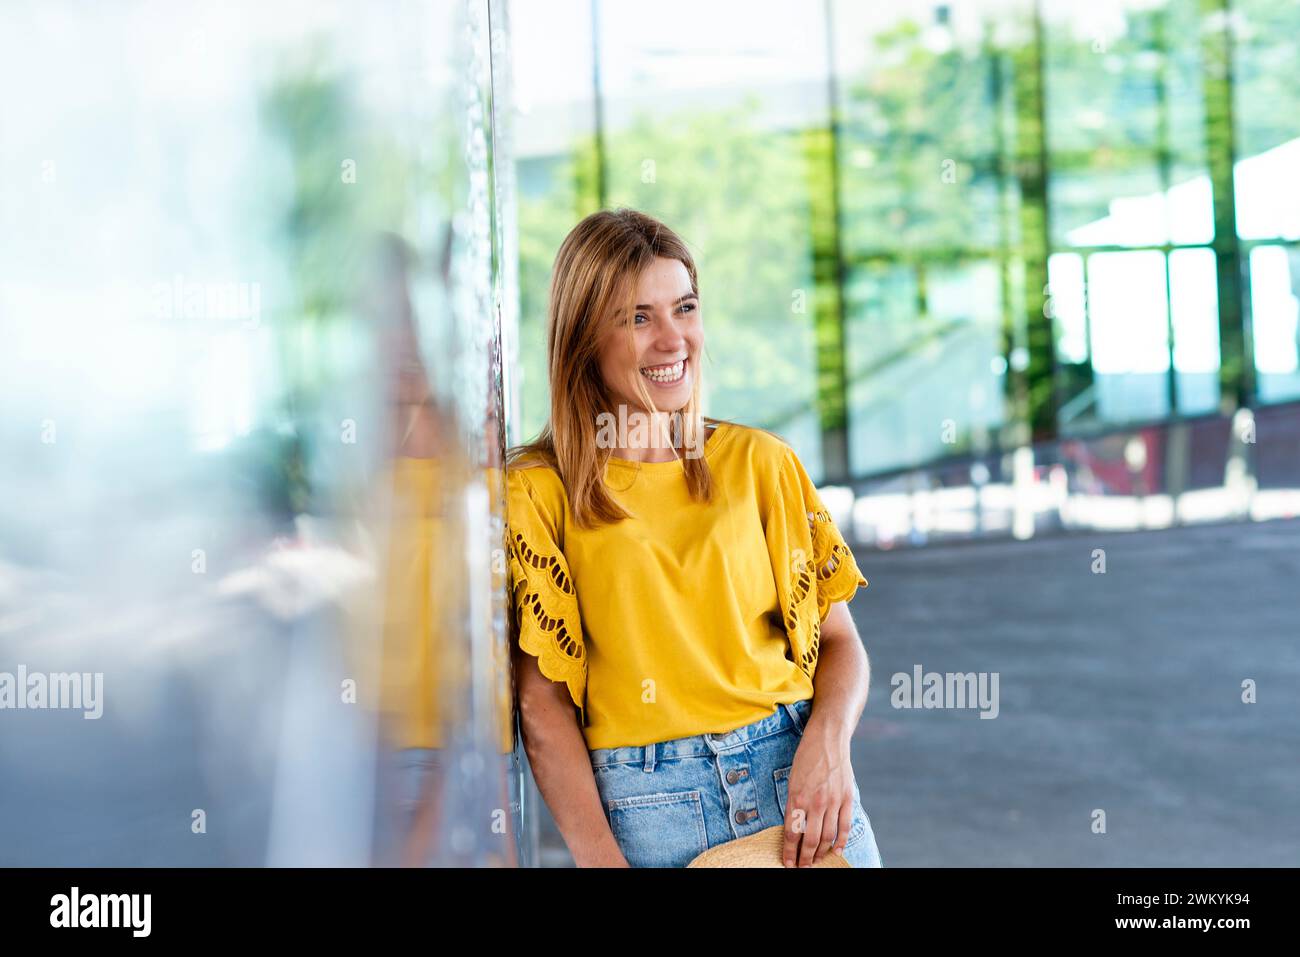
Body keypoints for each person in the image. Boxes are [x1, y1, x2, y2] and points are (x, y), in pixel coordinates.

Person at [505, 208, 883, 868]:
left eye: (684, 307)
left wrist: (829, 744)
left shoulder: (763, 463)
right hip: (652, 814)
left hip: (796, 783)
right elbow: (541, 705)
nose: (672, 338)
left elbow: (842, 641)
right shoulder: (537, 492)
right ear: (586, 336)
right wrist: (599, 858)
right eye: (638, 316)